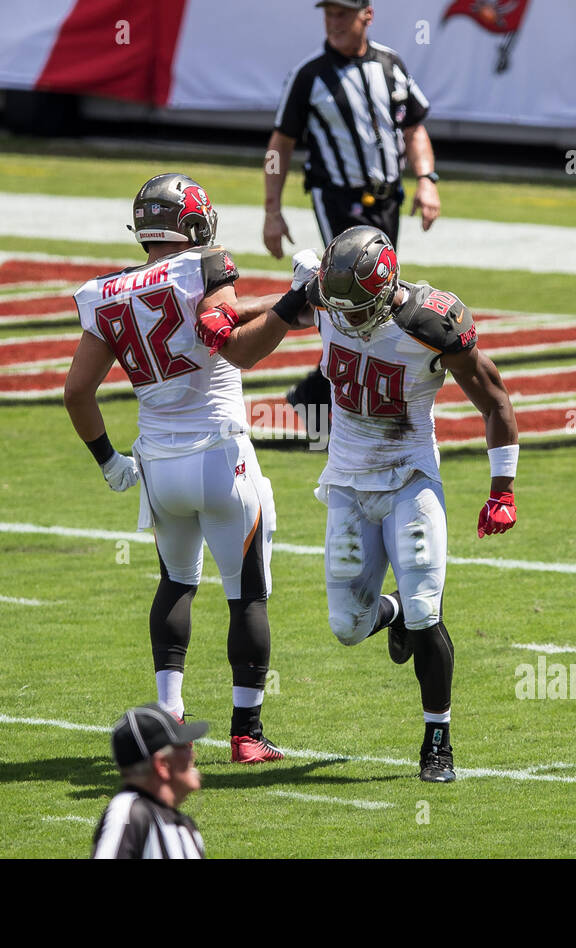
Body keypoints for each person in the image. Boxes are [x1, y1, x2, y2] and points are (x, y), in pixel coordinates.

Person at [201, 225, 521, 782]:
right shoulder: (325, 296)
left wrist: (502, 487)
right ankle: (391, 613)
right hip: (347, 483)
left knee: (427, 609)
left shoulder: (433, 322)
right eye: (335, 307)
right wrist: (233, 324)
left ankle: (437, 742)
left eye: (356, 309)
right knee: (348, 626)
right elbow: (256, 344)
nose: (343, 319)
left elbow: (493, 397)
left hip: (410, 477)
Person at [64, 173, 288, 764]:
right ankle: (247, 733)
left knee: (176, 583)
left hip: (157, 463)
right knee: (248, 596)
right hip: (220, 453)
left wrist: (107, 460)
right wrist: (296, 303)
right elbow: (231, 338)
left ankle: (168, 717)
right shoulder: (207, 264)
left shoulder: (104, 292)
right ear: (195, 223)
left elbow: (77, 391)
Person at [264, 0, 443, 426]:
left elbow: (414, 124)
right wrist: (272, 208)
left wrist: (425, 179)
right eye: (329, 14)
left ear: (368, 16)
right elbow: (280, 143)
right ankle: (321, 397)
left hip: (386, 198)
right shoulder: (310, 75)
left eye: (343, 14)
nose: (334, 22)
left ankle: (349, 389)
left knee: (379, 296)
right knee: (348, 295)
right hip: (338, 199)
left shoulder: (391, 65)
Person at [91, 704, 209, 859]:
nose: (193, 754)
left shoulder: (185, 827)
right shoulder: (127, 813)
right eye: (184, 746)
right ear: (163, 765)